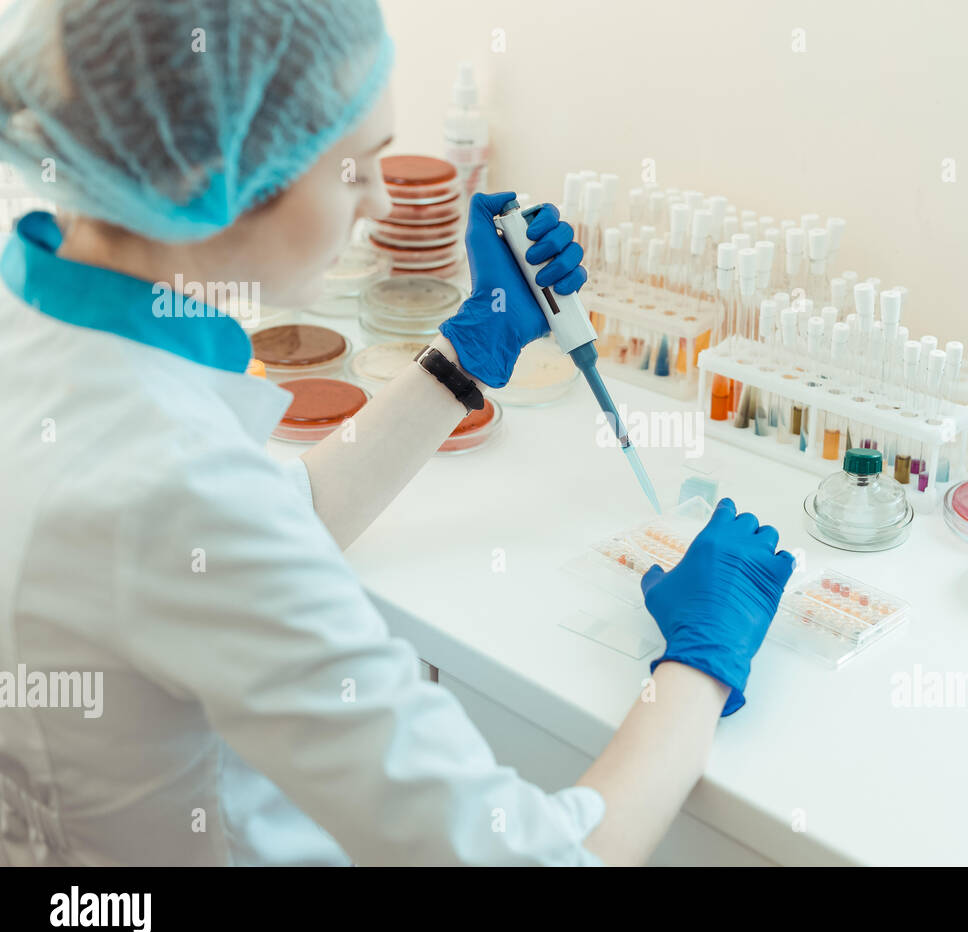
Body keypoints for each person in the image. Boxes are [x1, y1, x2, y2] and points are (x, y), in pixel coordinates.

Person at [0, 0, 794, 866]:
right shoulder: (176, 483)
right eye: (358, 166)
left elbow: (247, 529)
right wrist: (700, 666)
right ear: (218, 171)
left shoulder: (42, 329)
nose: (379, 200)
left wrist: (465, 354)